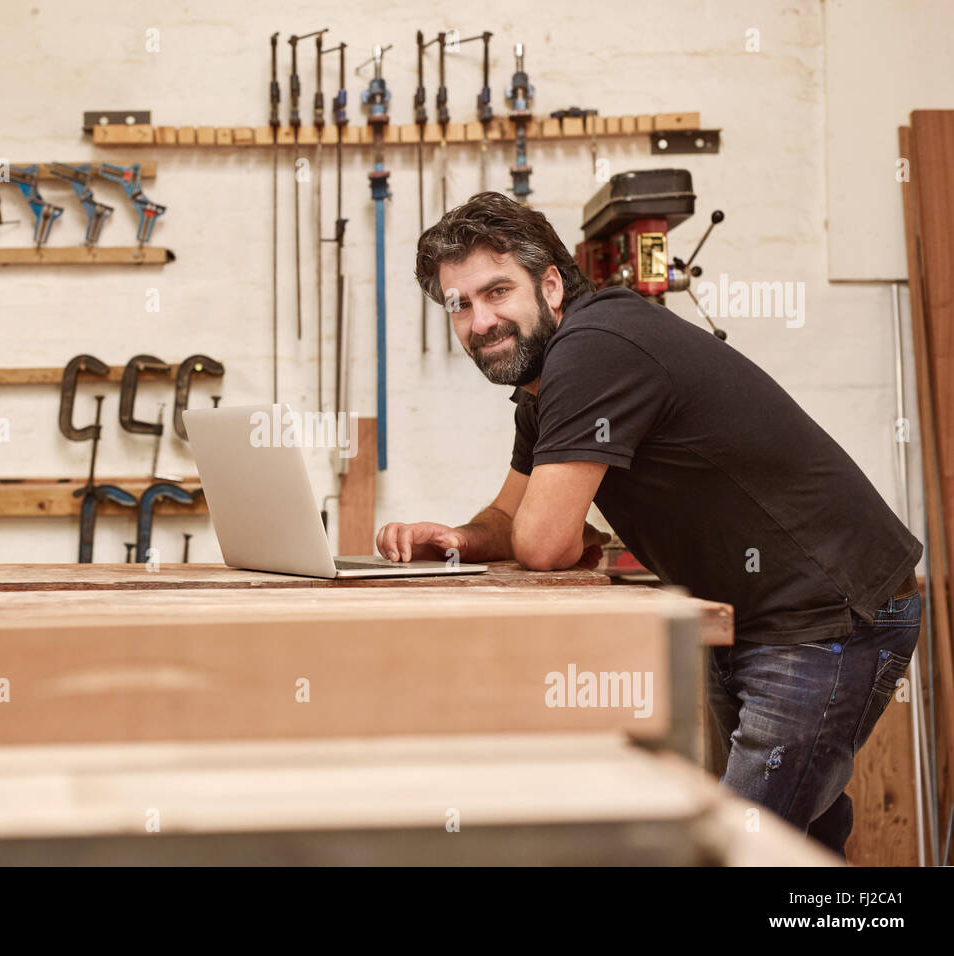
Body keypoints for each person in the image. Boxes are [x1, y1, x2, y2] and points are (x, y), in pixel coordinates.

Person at [377, 191, 923, 856]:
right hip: (752, 619)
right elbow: (510, 517)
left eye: (497, 291)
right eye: (460, 305)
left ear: (550, 283)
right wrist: (462, 538)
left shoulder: (593, 348)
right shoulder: (545, 391)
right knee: (797, 841)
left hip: (825, 620)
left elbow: (544, 544)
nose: (481, 321)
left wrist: (564, 532)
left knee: (734, 847)